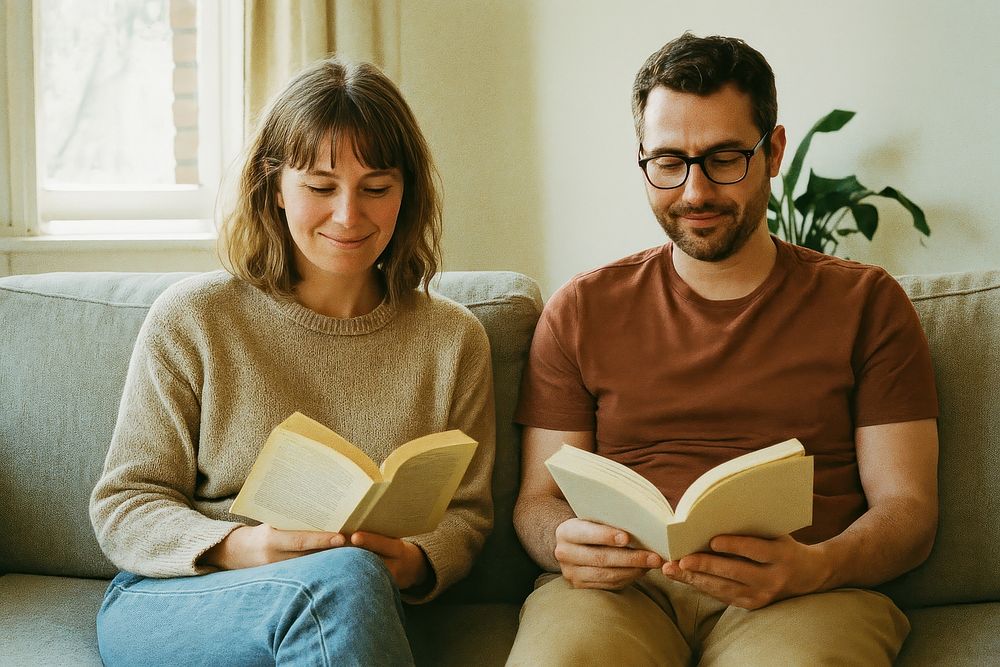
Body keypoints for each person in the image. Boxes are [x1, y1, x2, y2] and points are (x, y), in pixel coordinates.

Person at [508, 32, 938, 666]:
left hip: (806, 591)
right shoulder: (581, 310)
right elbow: (536, 502)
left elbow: (908, 511)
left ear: (774, 152)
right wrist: (562, 541)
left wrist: (813, 567)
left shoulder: (867, 304)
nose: (694, 191)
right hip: (624, 595)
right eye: (668, 161)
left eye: (724, 157)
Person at [89, 57, 495, 666]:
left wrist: (412, 562)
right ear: (274, 187)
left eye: (376, 188)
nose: (349, 216)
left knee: (348, 579)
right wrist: (240, 546)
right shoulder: (194, 317)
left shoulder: (452, 340)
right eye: (320, 187)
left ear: (406, 192)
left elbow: (464, 513)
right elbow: (125, 503)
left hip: (358, 601)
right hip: (183, 598)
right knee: (344, 582)